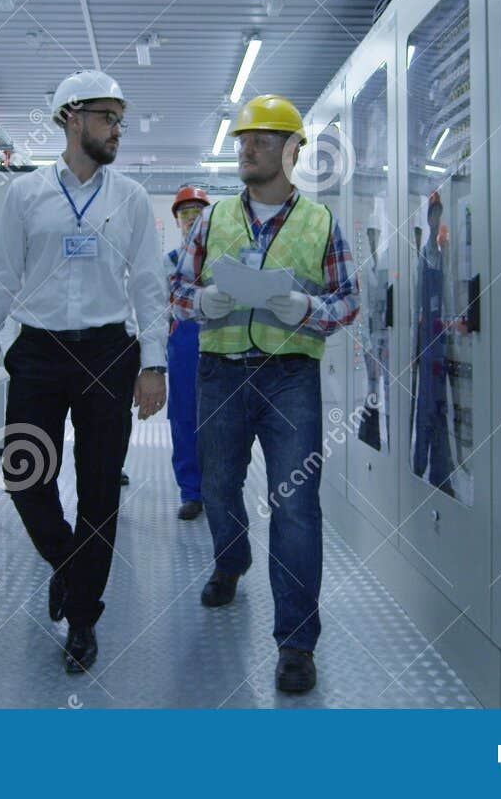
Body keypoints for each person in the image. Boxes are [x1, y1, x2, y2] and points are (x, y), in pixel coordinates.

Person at [0, 69, 167, 674]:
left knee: (100, 487)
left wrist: (154, 362)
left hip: (108, 351)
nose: (117, 130)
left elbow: (149, 285)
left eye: (120, 121)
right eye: (108, 118)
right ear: (71, 118)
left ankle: (82, 619)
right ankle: (68, 563)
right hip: (39, 350)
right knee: (23, 473)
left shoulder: (130, 198)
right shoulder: (26, 194)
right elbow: (1, 274)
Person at [168, 94, 360, 694]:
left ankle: (296, 642)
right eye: (243, 140)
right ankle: (231, 559)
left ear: (291, 150)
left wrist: (308, 309)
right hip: (220, 373)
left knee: (296, 505)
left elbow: (349, 299)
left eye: (261, 140)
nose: (247, 149)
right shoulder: (212, 220)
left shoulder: (320, 223)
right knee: (218, 487)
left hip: (289, 377)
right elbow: (175, 289)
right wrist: (201, 301)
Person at [166, 184, 210, 520]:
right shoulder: (167, 263)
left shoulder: (222, 260)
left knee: (221, 418)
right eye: (186, 214)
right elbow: (155, 311)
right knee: (184, 417)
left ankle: (220, 489)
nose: (192, 219)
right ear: (177, 220)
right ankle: (192, 492)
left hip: (219, 343)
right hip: (182, 344)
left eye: (198, 213)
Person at [411, 190, 454, 496]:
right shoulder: (423, 257)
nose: (436, 218)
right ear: (428, 218)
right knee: (426, 404)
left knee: (442, 406)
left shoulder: (446, 253)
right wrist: (415, 347)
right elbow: (416, 305)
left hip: (445, 336)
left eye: (439, 213)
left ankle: (442, 474)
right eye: (432, 214)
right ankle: (417, 467)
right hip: (428, 338)